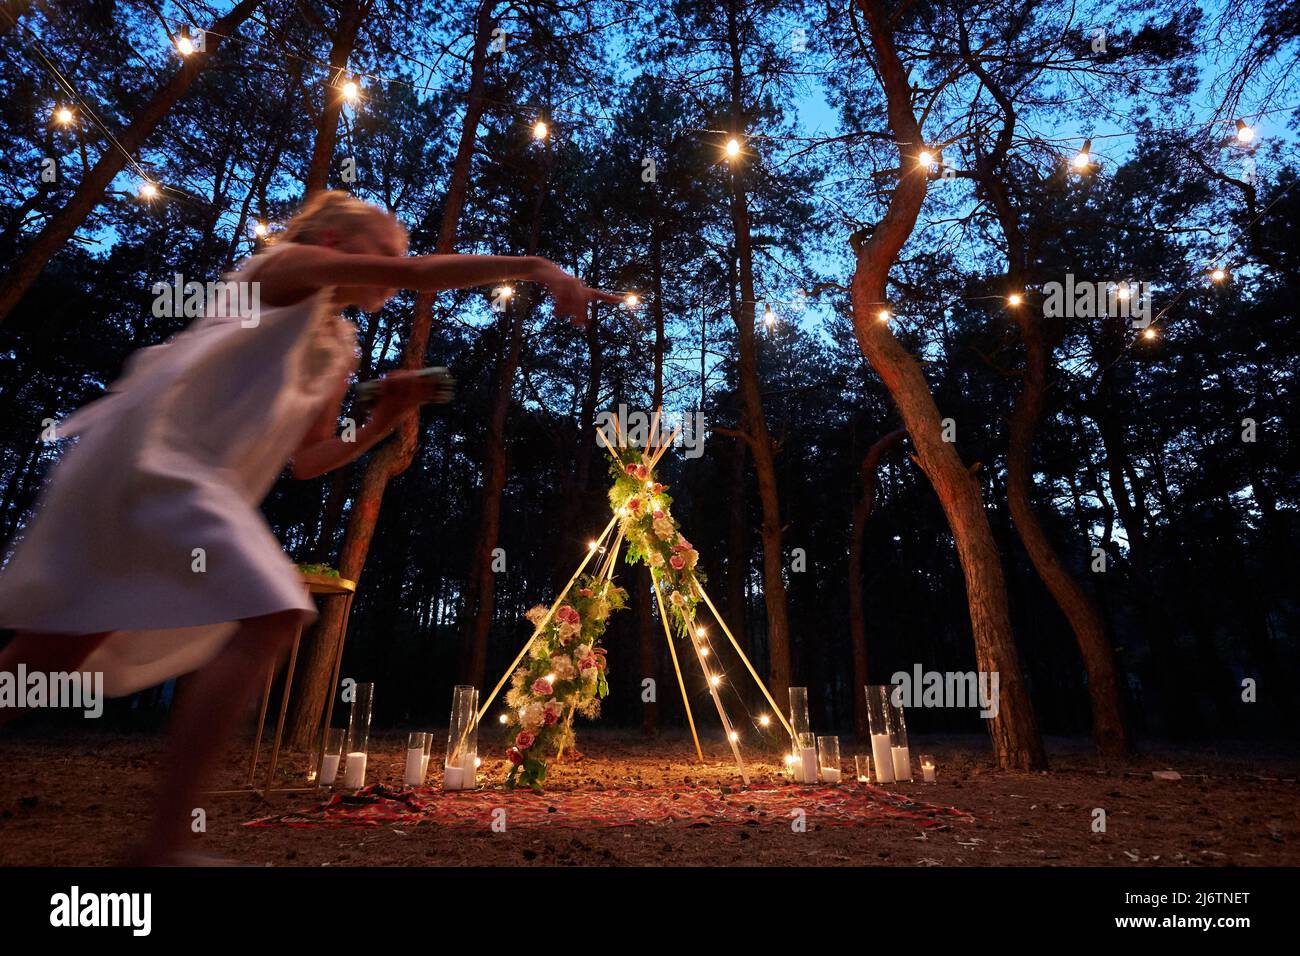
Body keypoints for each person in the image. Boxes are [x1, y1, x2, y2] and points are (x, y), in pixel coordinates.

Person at [0, 190, 620, 863]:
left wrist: (382, 425)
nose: (399, 264)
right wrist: (536, 267)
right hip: (157, 459)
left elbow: (308, 460)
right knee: (274, 611)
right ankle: (165, 846)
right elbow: (415, 280)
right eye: (384, 251)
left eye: (400, 254)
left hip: (190, 491)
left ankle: (163, 843)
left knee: (42, 664)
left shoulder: (336, 342)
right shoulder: (282, 267)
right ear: (329, 243)